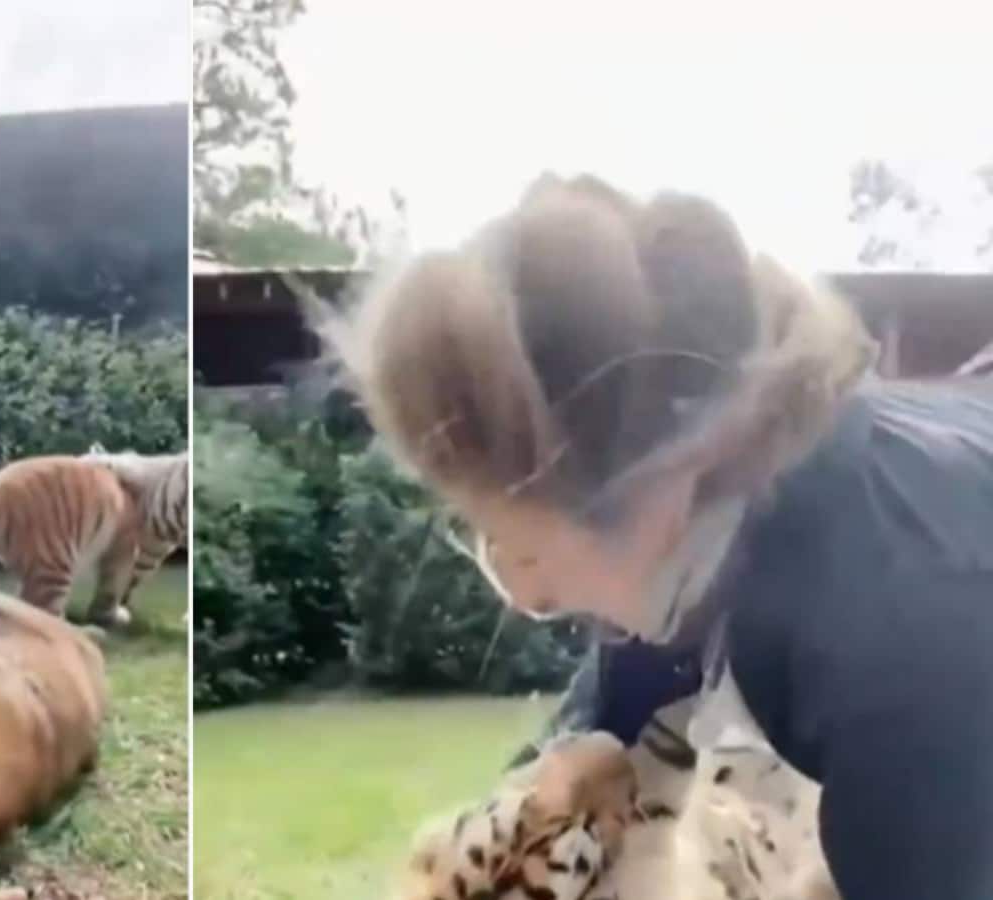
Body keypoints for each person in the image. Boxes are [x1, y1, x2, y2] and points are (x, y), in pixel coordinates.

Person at [320, 173, 993, 900]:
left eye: (524, 550)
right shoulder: (730, 512)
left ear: (661, 491)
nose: (523, 592)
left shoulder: (902, 638)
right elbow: (631, 677)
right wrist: (578, 746)